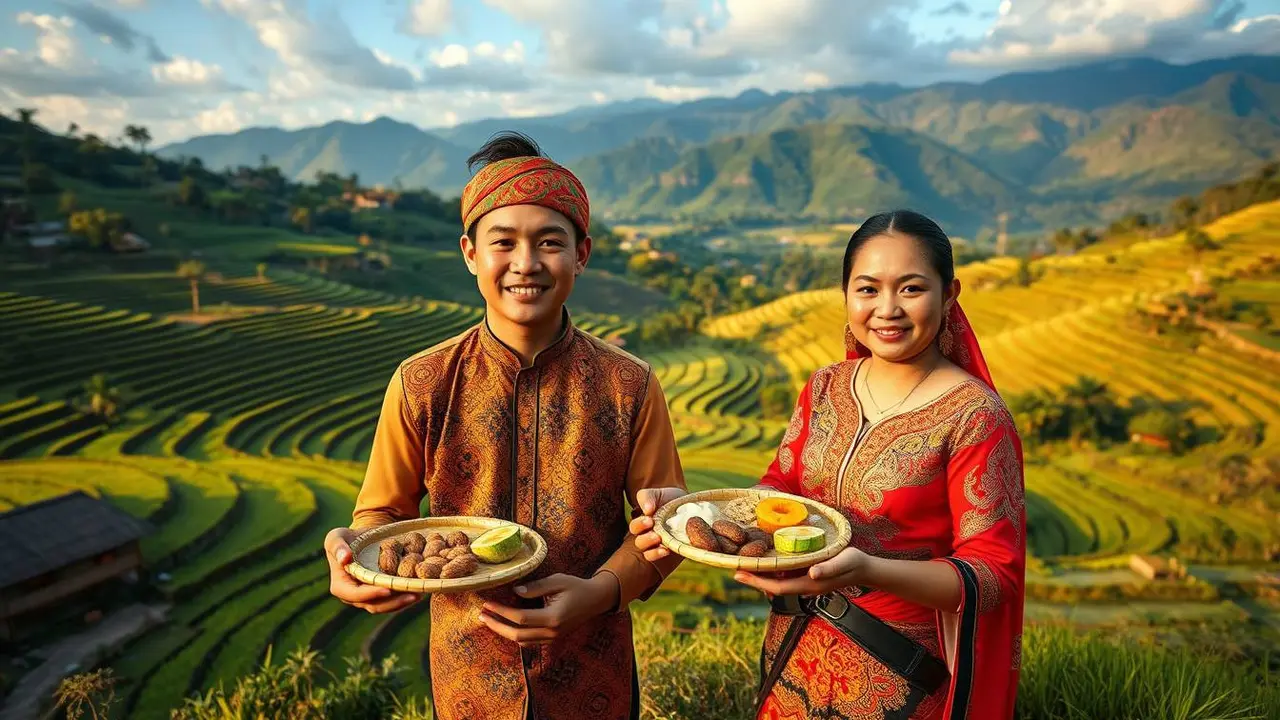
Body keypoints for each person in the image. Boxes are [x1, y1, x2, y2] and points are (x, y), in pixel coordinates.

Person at [323, 131, 687, 720]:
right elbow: (380, 515)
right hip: (467, 678)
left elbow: (667, 527)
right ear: (470, 253)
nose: (526, 263)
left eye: (549, 242)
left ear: (582, 254)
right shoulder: (422, 383)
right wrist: (350, 555)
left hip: (594, 673)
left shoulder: (630, 384)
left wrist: (598, 593)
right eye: (503, 242)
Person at [632, 209, 1026, 719]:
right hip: (792, 653)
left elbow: (993, 574)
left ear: (949, 295)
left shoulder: (975, 416)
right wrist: (696, 512)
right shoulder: (825, 387)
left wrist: (867, 570)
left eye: (911, 289)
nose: (888, 309)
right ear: (845, 295)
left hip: (898, 677)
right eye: (868, 289)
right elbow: (778, 491)